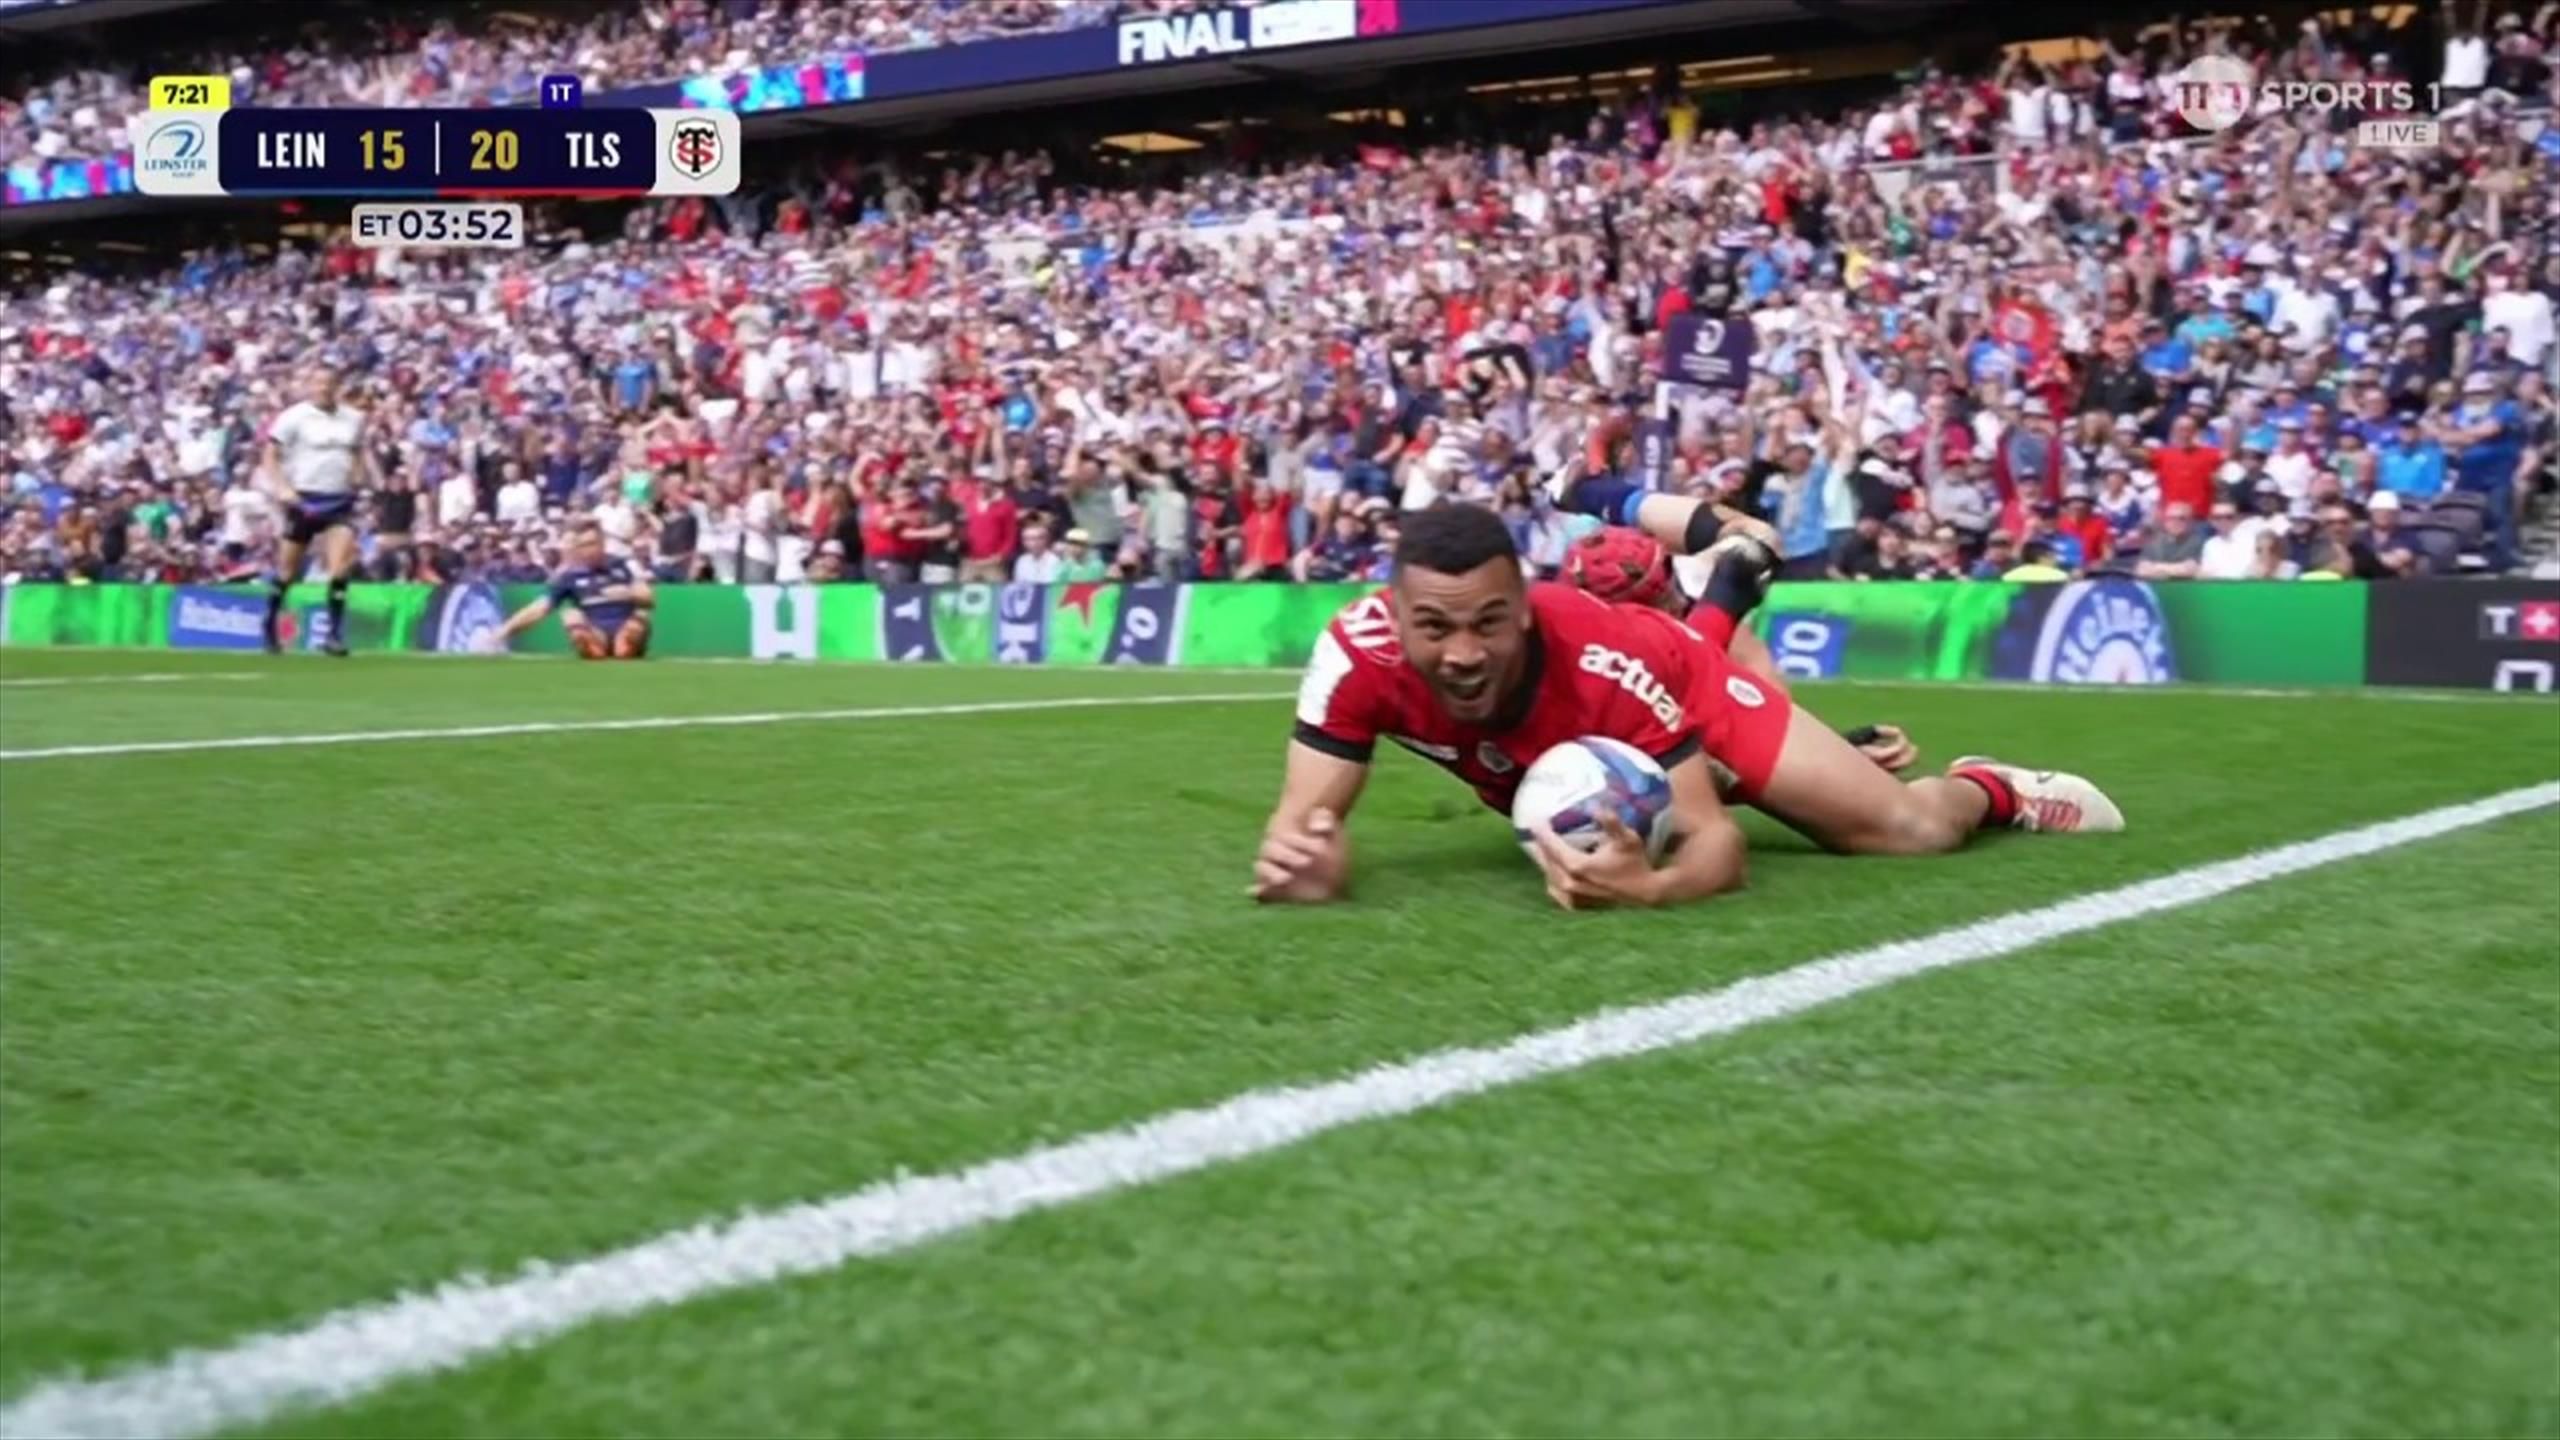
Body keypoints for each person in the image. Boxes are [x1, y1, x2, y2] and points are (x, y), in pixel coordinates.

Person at [1252, 507, 2121, 911]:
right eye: (1434, 628)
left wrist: (1654, 889)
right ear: (1396, 616)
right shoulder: (1355, 657)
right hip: (1593, 745)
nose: (1464, 653)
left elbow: (1718, 846)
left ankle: (1987, 787)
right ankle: (1738, 588)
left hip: (1688, 686)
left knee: (1906, 831)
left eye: (1488, 622)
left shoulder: (1605, 662)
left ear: (1524, 607)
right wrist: (1311, 867)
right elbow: (1303, 824)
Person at [260, 366, 374, 656]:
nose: (324, 388)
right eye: (319, 382)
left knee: (342, 566)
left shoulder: (353, 418)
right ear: (311, 386)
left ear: (337, 386)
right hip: (304, 498)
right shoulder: (294, 416)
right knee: (287, 570)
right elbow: (270, 454)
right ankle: (269, 623)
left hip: (339, 499)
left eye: (330, 383)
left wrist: (358, 475)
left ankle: (334, 635)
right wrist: (282, 488)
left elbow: (358, 449)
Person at [487, 521, 655, 659]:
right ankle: (595, 649)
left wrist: (628, 593)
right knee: (571, 617)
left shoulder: (623, 565)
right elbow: (539, 608)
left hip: (624, 624)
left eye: (592, 544)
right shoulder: (570, 577)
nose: (589, 550)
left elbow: (649, 598)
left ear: (603, 543)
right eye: (583, 546)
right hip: (595, 629)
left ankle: (623, 649)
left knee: (639, 620)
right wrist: (504, 631)